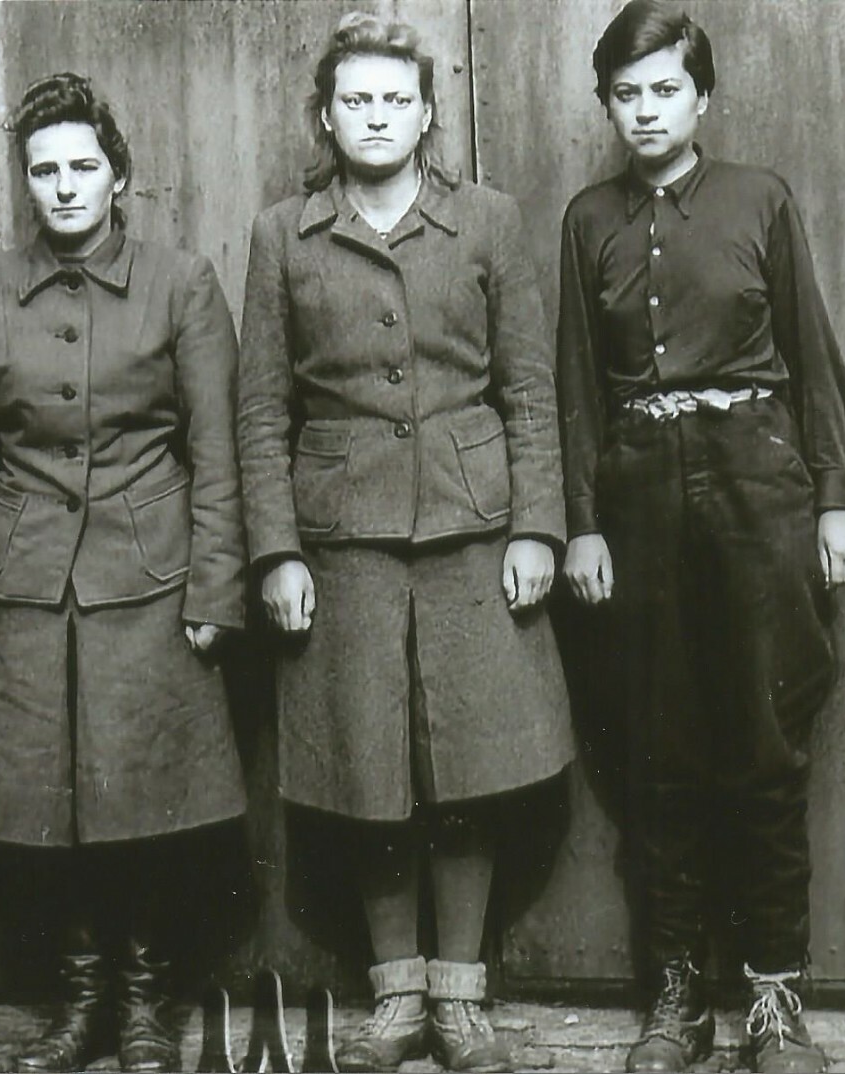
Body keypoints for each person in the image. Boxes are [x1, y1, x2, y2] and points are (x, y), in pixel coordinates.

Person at [237, 13, 574, 1073]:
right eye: (356, 101)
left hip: (473, 532)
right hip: (342, 543)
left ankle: (459, 999)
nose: (376, 118)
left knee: (467, 766)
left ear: (427, 114)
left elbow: (529, 391)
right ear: (325, 118)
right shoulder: (282, 235)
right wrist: (277, 552)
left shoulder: (486, 221)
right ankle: (396, 995)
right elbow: (260, 412)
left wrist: (537, 527)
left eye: (396, 100)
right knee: (368, 767)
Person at [555, 4, 845, 1072]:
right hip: (639, 501)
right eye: (626, 94)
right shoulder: (588, 220)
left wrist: (832, 497)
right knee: (659, 752)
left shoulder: (758, 199)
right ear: (608, 106)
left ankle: (775, 1000)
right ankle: (677, 996)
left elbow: (811, 356)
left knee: (766, 745)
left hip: (757, 490)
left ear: (703, 99)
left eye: (665, 91)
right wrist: (582, 527)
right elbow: (574, 387)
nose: (646, 111)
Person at [0, 72, 246, 1074]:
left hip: (150, 580)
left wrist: (215, 588)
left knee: (143, 801)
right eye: (44, 170)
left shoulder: (181, 282)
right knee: (49, 804)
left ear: (119, 175)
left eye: (82, 166)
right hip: (25, 584)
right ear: (25, 183)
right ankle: (80, 1006)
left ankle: (145, 1005)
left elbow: (219, 450)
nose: (64, 187)